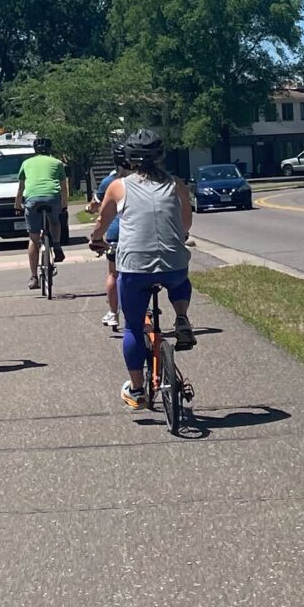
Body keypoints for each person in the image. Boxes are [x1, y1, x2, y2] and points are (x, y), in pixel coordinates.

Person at [88, 130, 195, 409]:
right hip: (173, 263)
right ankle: (182, 317)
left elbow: (103, 221)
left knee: (133, 328)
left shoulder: (118, 186)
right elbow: (186, 221)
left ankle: (137, 390)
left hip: (135, 267)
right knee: (179, 276)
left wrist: (96, 239)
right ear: (160, 156)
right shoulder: (176, 184)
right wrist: (179, 237)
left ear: (129, 158)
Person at [18, 136, 69, 288]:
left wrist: (17, 204)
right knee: (55, 221)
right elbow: (63, 186)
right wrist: (64, 205)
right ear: (50, 150)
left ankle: (34, 277)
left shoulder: (26, 163)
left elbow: (21, 187)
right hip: (52, 197)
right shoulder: (57, 163)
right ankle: (57, 245)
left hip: (32, 199)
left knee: (33, 239)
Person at [93, 154, 127, 334]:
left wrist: (95, 239)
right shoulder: (150, 180)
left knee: (114, 274)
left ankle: (114, 313)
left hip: (116, 232)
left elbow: (99, 205)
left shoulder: (110, 182)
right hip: (145, 234)